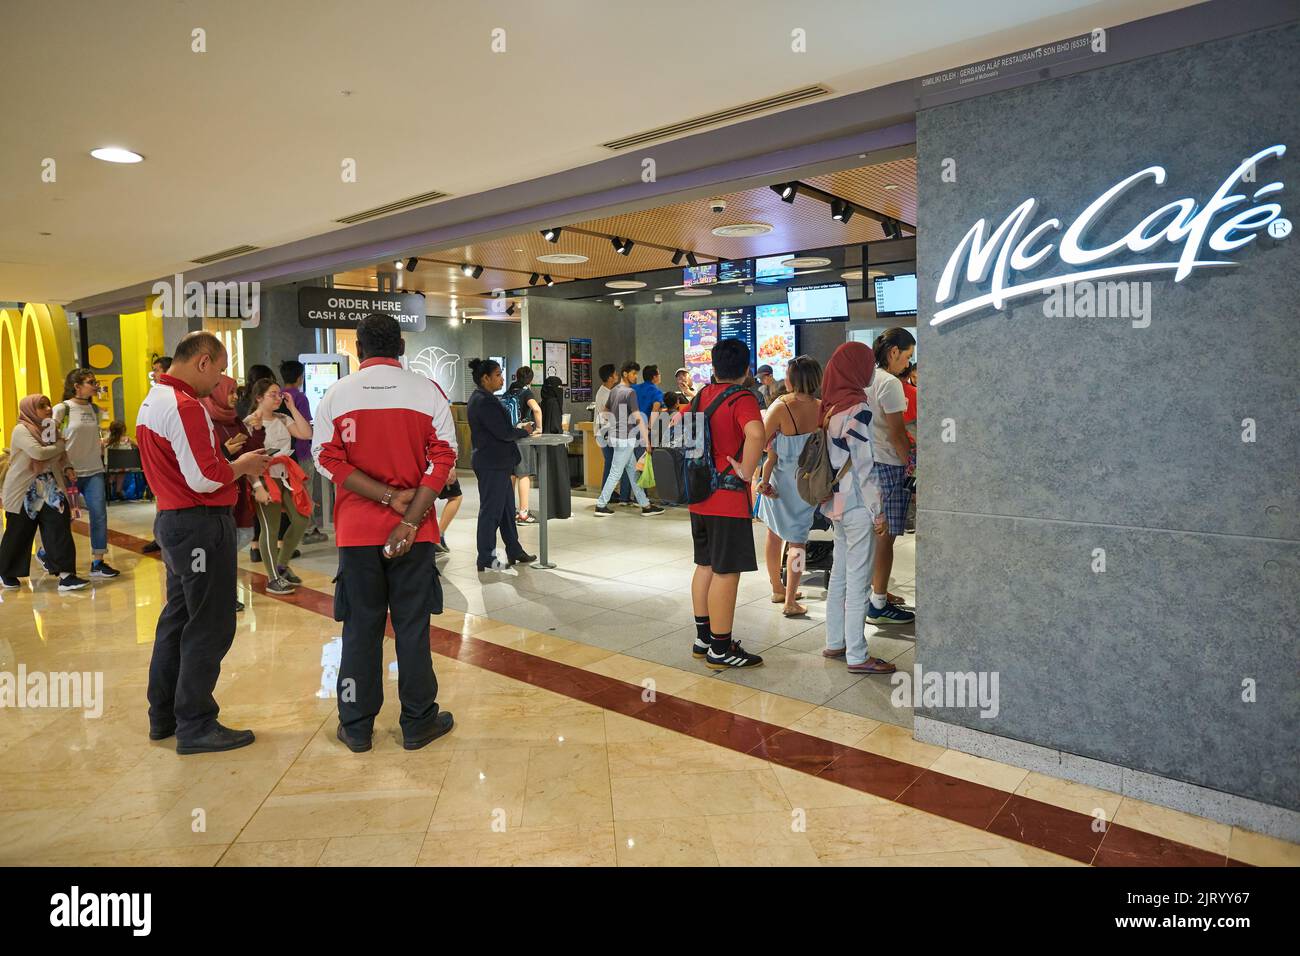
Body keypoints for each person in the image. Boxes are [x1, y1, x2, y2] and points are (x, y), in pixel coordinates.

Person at [313, 313, 458, 752]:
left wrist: (381, 496)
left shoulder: (336, 395)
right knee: (412, 628)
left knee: (360, 628)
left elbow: (325, 458)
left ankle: (356, 726)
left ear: (358, 348)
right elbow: (445, 456)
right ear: (400, 346)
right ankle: (418, 721)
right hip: (413, 535)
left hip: (357, 534)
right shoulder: (427, 392)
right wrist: (410, 516)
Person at [137, 331, 270, 753]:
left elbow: (184, 466)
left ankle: (164, 715)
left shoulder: (151, 400)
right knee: (209, 623)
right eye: (219, 370)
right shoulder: (185, 406)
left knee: (178, 619)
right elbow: (205, 477)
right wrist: (244, 464)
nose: (220, 381)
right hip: (199, 525)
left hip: (174, 521)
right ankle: (195, 723)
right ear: (202, 361)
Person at [687, 338, 765, 669]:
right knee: (726, 572)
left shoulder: (700, 396)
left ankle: (703, 638)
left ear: (714, 367)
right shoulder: (742, 398)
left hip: (699, 495)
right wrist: (747, 470)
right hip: (727, 499)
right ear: (746, 370)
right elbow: (757, 434)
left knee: (704, 565)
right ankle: (721, 648)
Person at [820, 342, 896, 673]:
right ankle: (857, 654)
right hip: (856, 503)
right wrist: (878, 511)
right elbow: (864, 468)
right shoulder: (857, 410)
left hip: (835, 499)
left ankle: (835, 641)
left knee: (839, 574)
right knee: (859, 577)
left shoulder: (830, 407)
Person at [755, 356, 822, 616]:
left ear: (792, 378)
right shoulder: (821, 407)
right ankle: (791, 600)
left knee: (774, 534)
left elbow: (760, 437)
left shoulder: (781, 406)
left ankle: (777, 588)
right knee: (798, 541)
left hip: (779, 481)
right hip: (807, 483)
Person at [0, 395, 88, 591]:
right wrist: (59, 445)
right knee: (18, 532)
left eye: (48, 404)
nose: (48, 409)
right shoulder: (21, 430)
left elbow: (61, 456)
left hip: (50, 487)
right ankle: (6, 571)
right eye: (42, 406)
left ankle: (66, 576)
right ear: (30, 409)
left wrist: (67, 467)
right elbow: (38, 453)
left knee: (59, 527)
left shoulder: (50, 429)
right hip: (23, 489)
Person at [864, 328, 917, 626]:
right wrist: (912, 468)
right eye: (907, 356)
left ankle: (875, 592)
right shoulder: (890, 384)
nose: (908, 363)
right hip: (890, 465)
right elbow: (898, 434)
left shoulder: (866, 379)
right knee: (886, 538)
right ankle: (879, 604)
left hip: (867, 466)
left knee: (874, 535)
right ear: (894, 352)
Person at [466, 358, 538, 571]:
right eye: (497, 374)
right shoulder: (484, 401)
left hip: (498, 462)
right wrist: (523, 431)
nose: (502, 378)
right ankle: (485, 557)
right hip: (492, 463)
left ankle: (514, 549)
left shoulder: (484, 398)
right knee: (491, 511)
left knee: (507, 509)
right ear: (485, 378)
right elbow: (503, 432)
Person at [243, 378, 313, 595]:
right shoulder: (250, 422)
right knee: (270, 528)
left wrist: (292, 406)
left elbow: (306, 434)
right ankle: (273, 577)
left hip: (285, 476)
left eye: (278, 394)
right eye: (272, 394)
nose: (277, 398)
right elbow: (245, 458)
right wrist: (257, 486)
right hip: (264, 477)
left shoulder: (283, 418)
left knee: (302, 519)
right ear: (259, 398)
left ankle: (282, 564)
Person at [53, 368, 118, 579]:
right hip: (68, 472)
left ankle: (98, 561)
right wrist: (63, 466)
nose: (96, 385)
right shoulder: (62, 409)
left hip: (94, 470)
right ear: (77, 386)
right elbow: (52, 438)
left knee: (99, 515)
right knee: (66, 518)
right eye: (91, 382)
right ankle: (48, 553)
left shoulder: (94, 409)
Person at [201, 375, 254, 611]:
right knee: (222, 547)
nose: (234, 398)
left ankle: (222, 592)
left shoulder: (234, 420)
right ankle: (221, 595)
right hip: (217, 491)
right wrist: (225, 451)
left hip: (239, 485)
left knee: (242, 534)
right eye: (230, 392)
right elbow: (203, 461)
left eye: (236, 393)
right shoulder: (202, 419)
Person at [592, 361, 663, 517]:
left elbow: (605, 412)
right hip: (626, 438)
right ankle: (601, 504)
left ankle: (645, 504)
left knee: (632, 471)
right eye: (633, 373)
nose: (635, 376)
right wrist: (646, 440)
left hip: (616, 436)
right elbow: (638, 418)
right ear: (625, 374)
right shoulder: (629, 393)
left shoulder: (614, 391)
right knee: (616, 472)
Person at [281, 359, 327, 545]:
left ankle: (295, 528)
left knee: (290, 491)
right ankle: (308, 529)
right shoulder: (300, 398)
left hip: (285, 452)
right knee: (305, 492)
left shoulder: (278, 396)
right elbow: (306, 426)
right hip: (302, 451)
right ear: (300, 378)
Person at [505, 367, 542, 525]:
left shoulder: (509, 391)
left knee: (511, 474)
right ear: (530, 380)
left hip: (508, 438)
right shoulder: (526, 392)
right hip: (522, 438)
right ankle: (524, 513)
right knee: (523, 474)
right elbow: (536, 409)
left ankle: (508, 510)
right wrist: (539, 428)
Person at [594, 363, 632, 504]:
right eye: (615, 374)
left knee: (610, 463)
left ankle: (608, 493)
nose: (617, 376)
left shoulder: (605, 391)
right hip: (606, 433)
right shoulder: (605, 394)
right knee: (611, 463)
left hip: (604, 432)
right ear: (610, 377)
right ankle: (607, 495)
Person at [103, 420, 135, 499]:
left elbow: (101, 453)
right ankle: (118, 490)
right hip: (125, 466)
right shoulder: (128, 440)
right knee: (121, 470)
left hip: (110, 466)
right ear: (124, 430)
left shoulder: (105, 441)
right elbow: (138, 448)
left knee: (114, 469)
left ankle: (109, 483)